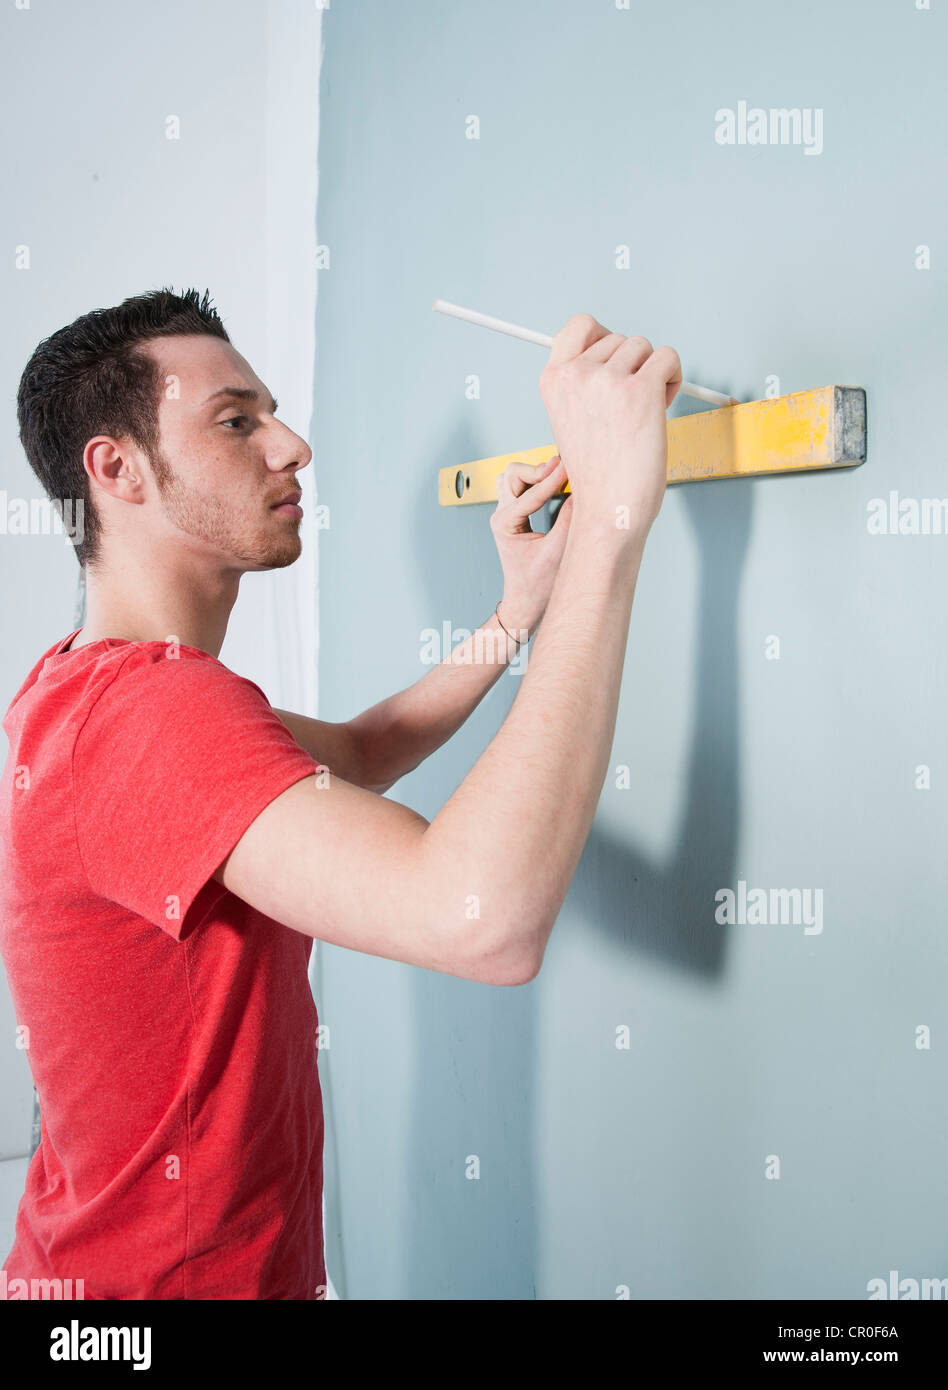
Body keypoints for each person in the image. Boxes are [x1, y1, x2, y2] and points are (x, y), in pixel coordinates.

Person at [0, 287, 681, 1299]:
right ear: (118, 469)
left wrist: (515, 613)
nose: (294, 446)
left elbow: (362, 750)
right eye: (238, 421)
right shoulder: (152, 717)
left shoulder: (82, 688)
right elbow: (481, 919)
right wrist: (613, 533)